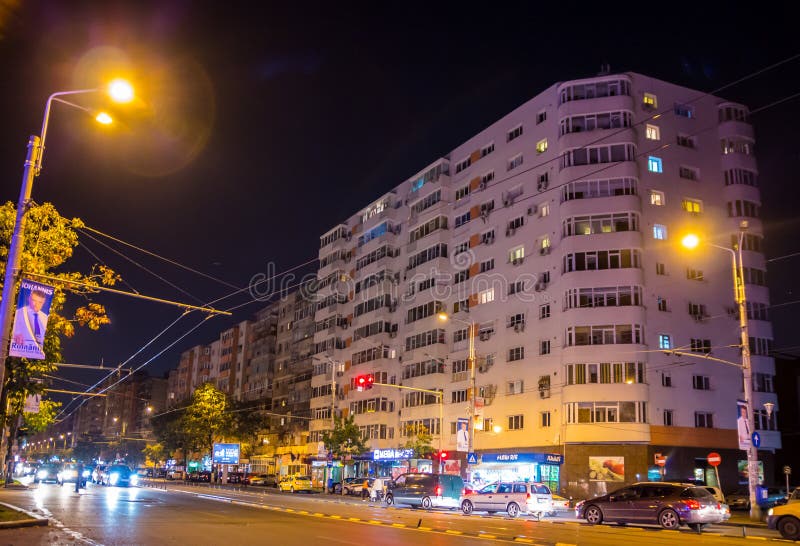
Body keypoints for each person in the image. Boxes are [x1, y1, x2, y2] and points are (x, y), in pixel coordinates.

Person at [11, 288, 49, 356]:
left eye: (40, 302)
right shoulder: (20, 313)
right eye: (34, 300)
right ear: (29, 299)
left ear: (44, 302)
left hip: (36, 353)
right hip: (20, 352)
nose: (36, 304)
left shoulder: (44, 317)